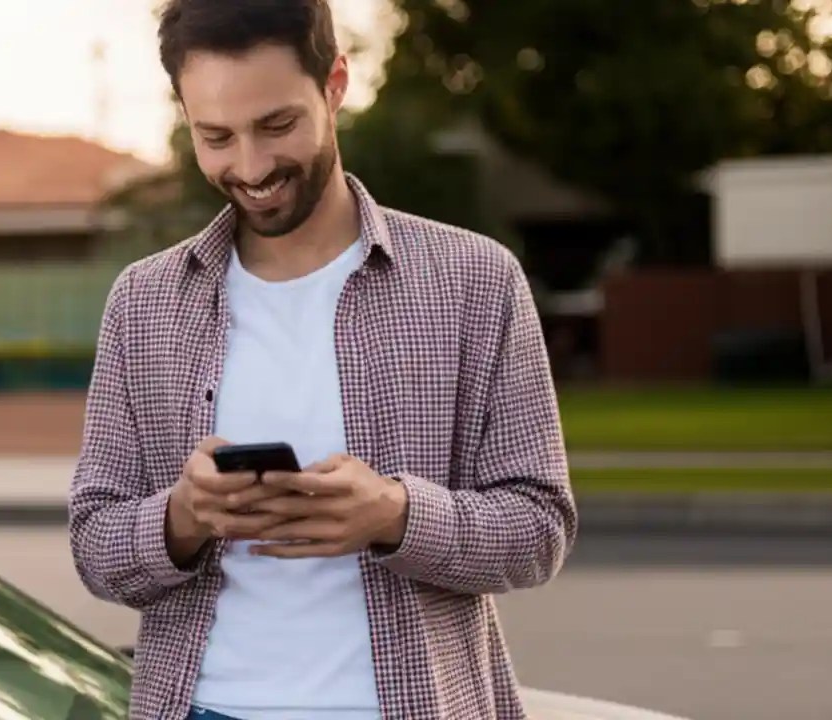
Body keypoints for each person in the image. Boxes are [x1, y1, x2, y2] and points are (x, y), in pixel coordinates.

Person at [68, 1, 578, 718]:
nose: (250, 168)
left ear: (335, 84)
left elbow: (539, 529)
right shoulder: (145, 303)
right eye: (216, 136)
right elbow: (95, 545)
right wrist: (183, 515)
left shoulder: (475, 279)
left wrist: (395, 515)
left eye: (277, 126)